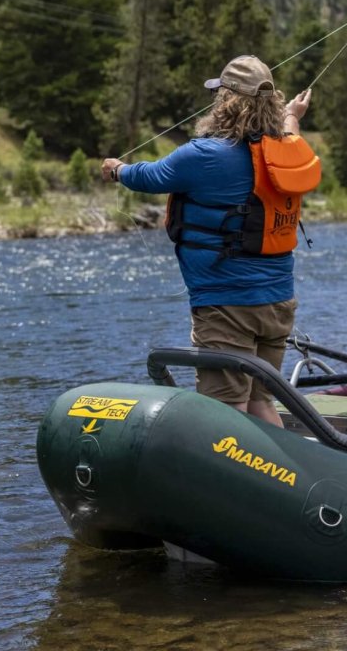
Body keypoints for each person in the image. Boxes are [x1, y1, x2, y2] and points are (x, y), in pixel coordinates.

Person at [101, 55, 314, 428]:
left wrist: (117, 169)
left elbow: (148, 177)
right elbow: (290, 131)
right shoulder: (287, 150)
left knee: (228, 409)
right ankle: (284, 479)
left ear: (226, 101)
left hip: (227, 305)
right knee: (261, 400)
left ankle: (245, 484)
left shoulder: (204, 155)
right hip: (278, 304)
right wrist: (293, 114)